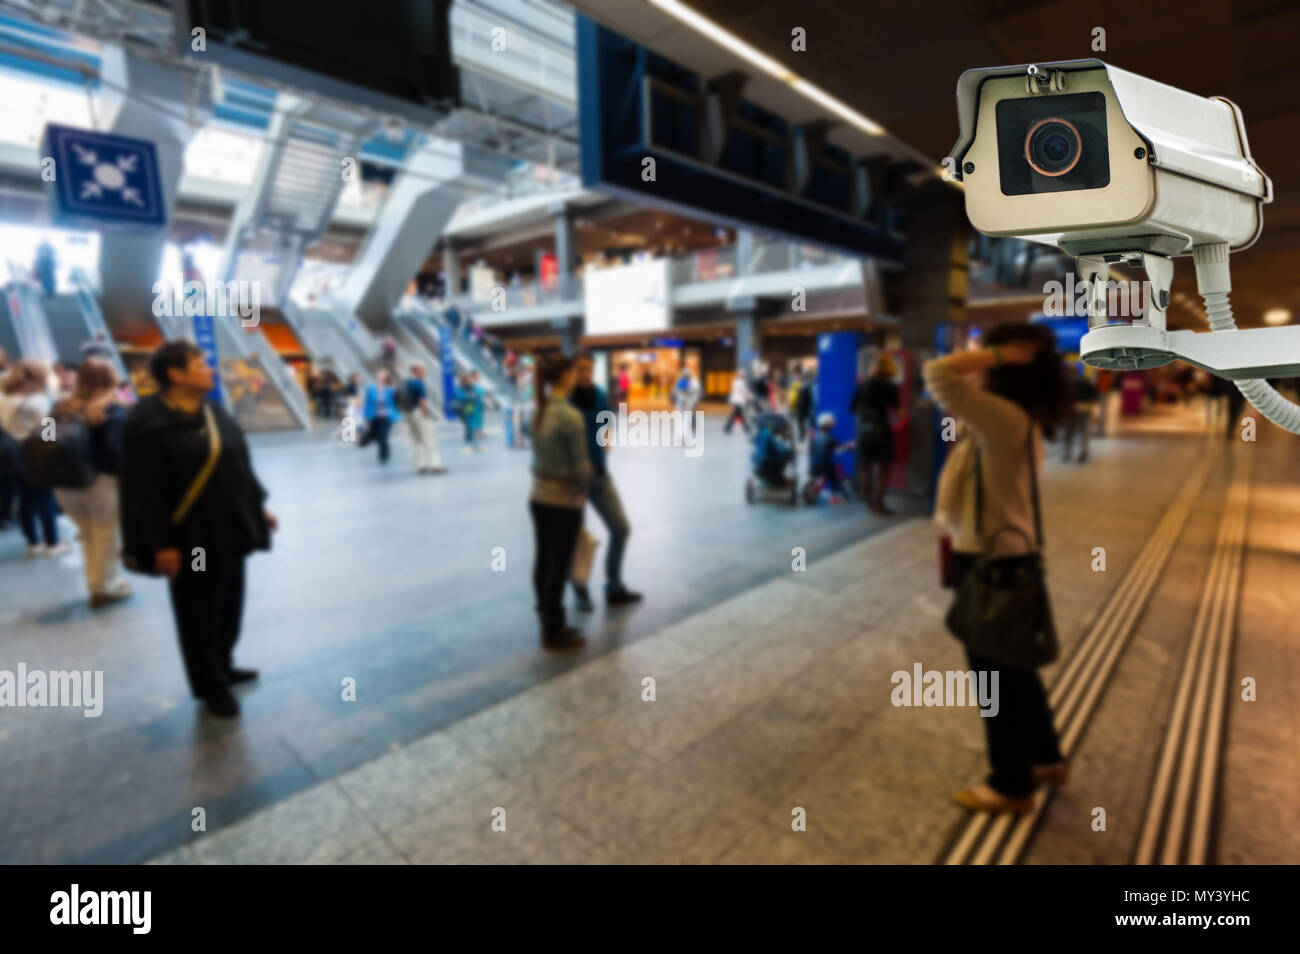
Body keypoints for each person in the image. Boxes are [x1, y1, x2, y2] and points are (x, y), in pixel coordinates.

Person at [924, 323, 1072, 814]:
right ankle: (1045, 759)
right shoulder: (1012, 418)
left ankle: (1011, 786)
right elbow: (956, 389)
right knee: (1016, 670)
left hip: (990, 562)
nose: (978, 360)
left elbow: (938, 375)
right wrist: (1000, 358)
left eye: (990, 355)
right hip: (1011, 556)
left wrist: (997, 353)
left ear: (1009, 365)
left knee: (996, 681)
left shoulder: (1004, 419)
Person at [119, 341, 276, 718]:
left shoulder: (213, 410)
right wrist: (161, 544)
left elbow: (238, 461)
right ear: (176, 374)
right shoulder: (147, 424)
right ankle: (209, 684)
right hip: (194, 543)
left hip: (230, 529)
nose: (211, 369)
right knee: (199, 606)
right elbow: (142, 492)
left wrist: (258, 505)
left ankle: (223, 662)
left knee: (228, 602)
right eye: (201, 363)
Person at [51, 358, 132, 607]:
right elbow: (113, 450)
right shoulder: (114, 410)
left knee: (87, 533)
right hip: (100, 482)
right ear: (111, 379)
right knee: (106, 533)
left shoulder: (59, 407)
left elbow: (46, 438)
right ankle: (106, 586)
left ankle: (95, 582)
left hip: (65, 483)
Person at [569, 352, 643, 612]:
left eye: (589, 369)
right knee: (576, 537)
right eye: (580, 369)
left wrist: (605, 437)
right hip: (572, 480)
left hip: (600, 474)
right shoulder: (564, 399)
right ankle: (579, 589)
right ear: (572, 371)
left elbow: (606, 418)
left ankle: (613, 584)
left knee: (621, 527)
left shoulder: (599, 393)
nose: (585, 374)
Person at [529, 352, 590, 650]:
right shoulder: (570, 416)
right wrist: (585, 488)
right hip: (563, 500)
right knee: (559, 565)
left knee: (543, 559)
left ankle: (545, 616)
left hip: (538, 497)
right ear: (565, 376)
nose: (577, 375)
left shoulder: (537, 411)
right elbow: (582, 467)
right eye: (574, 371)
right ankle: (554, 630)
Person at [0, 359, 68, 557]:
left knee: (26, 499)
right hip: (37, 452)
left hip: (13, 454)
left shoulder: (5, 399)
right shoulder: (39, 400)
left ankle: (33, 542)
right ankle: (53, 543)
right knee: (45, 497)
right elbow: (49, 433)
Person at [851, 353, 900, 514]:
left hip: (865, 432)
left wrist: (867, 415)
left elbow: (853, 408)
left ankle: (869, 502)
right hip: (882, 433)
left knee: (866, 468)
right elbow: (896, 410)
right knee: (884, 469)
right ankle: (879, 504)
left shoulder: (863, 385)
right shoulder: (889, 386)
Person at [403, 362, 446, 475]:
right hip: (419, 413)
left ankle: (419, 466)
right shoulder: (418, 382)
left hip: (408, 413)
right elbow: (422, 401)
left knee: (415, 440)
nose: (425, 372)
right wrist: (428, 413)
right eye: (423, 369)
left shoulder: (405, 382)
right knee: (429, 439)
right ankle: (435, 465)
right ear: (417, 370)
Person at [359, 370, 400, 463]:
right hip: (375, 416)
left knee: (383, 435)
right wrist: (365, 416)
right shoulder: (371, 389)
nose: (380, 378)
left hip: (387, 416)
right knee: (375, 434)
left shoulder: (391, 390)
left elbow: (396, 403)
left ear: (386, 378)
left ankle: (384, 455)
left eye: (382, 377)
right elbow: (368, 403)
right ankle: (367, 441)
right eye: (379, 377)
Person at [1062, 365, 1099, 463]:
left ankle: (1067, 453)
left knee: (1069, 432)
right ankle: (1083, 452)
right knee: (1082, 431)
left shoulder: (1069, 383)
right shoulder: (1085, 380)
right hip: (1084, 409)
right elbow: (1094, 393)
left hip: (1072, 410)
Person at [808, 411, 846, 503]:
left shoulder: (816, 437)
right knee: (834, 478)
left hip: (815, 464)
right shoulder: (830, 438)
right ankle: (834, 497)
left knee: (824, 474)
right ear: (831, 426)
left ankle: (816, 487)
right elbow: (840, 447)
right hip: (825, 464)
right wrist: (850, 445)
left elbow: (811, 450)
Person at [456, 371, 485, 452]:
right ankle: (467, 445)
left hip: (471, 409)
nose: (468, 381)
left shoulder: (471, 387)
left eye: (468, 379)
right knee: (468, 428)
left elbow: (478, 393)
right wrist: (468, 396)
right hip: (464, 410)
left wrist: (472, 396)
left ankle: (475, 444)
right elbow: (459, 396)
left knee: (472, 428)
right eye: (466, 379)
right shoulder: (459, 388)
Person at [794, 366, 815, 442]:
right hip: (811, 410)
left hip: (805, 411)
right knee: (811, 426)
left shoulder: (804, 386)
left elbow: (801, 402)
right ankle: (811, 439)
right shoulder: (813, 384)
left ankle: (804, 439)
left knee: (805, 426)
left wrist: (799, 413)